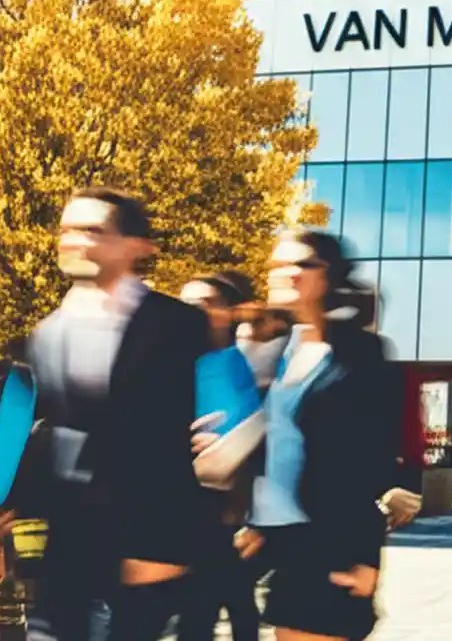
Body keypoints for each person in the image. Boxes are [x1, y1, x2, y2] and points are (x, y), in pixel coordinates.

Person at [14, 187, 218, 640]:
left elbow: (228, 414)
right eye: (67, 230)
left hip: (148, 541)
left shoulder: (180, 326)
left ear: (136, 246)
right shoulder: (45, 333)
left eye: (92, 231)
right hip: (69, 540)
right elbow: (29, 425)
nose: (73, 240)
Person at [193, 230, 402, 641]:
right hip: (283, 540)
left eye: (303, 263)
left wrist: (366, 557)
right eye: (278, 264)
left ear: (330, 277)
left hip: (333, 541)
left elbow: (369, 462)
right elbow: (280, 443)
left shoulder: (362, 355)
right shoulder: (285, 349)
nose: (286, 272)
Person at [179, 269, 264, 641]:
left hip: (230, 511)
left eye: (207, 303)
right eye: (187, 304)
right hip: (185, 509)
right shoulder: (171, 363)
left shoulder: (244, 361)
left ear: (229, 312)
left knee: (228, 605)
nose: (195, 311)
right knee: (210, 606)